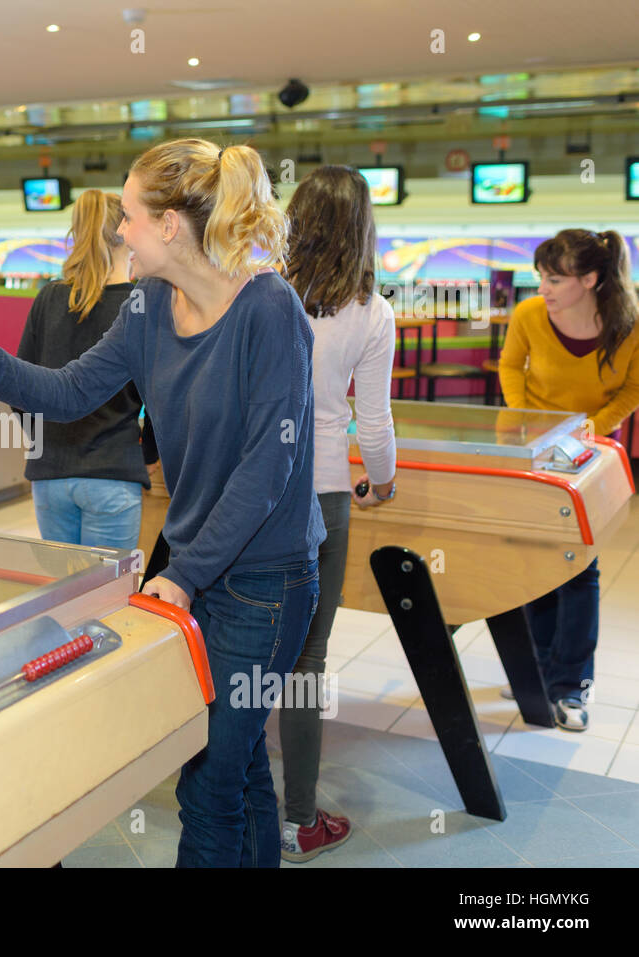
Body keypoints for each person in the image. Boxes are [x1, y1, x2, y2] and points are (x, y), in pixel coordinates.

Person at [0, 139, 325, 867]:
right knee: (237, 765)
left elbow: (265, 468)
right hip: (200, 571)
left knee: (207, 777)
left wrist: (181, 573)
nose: (119, 231)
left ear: (171, 225)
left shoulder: (270, 310)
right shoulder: (148, 305)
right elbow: (71, 390)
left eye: (128, 215)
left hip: (267, 584)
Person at [277, 165, 398, 862]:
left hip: (252, 489)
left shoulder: (259, 290)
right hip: (322, 492)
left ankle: (224, 795)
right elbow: (372, 422)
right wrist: (380, 483)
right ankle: (298, 818)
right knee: (305, 660)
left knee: (240, 645)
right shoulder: (371, 312)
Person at [499, 228, 639, 731]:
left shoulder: (627, 325)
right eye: (542, 277)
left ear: (591, 279)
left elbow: (631, 390)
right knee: (535, 558)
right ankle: (537, 670)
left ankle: (571, 685)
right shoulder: (529, 316)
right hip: (529, 447)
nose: (544, 288)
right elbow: (511, 367)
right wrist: (529, 423)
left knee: (580, 569)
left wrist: (585, 431)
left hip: (586, 455)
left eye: (555, 279)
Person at [16, 190, 147, 549]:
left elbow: (21, 389)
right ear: (126, 233)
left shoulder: (49, 297)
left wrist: (44, 442)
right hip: (112, 474)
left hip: (50, 477)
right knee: (108, 598)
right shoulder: (138, 303)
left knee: (67, 596)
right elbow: (160, 395)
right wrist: (148, 455)